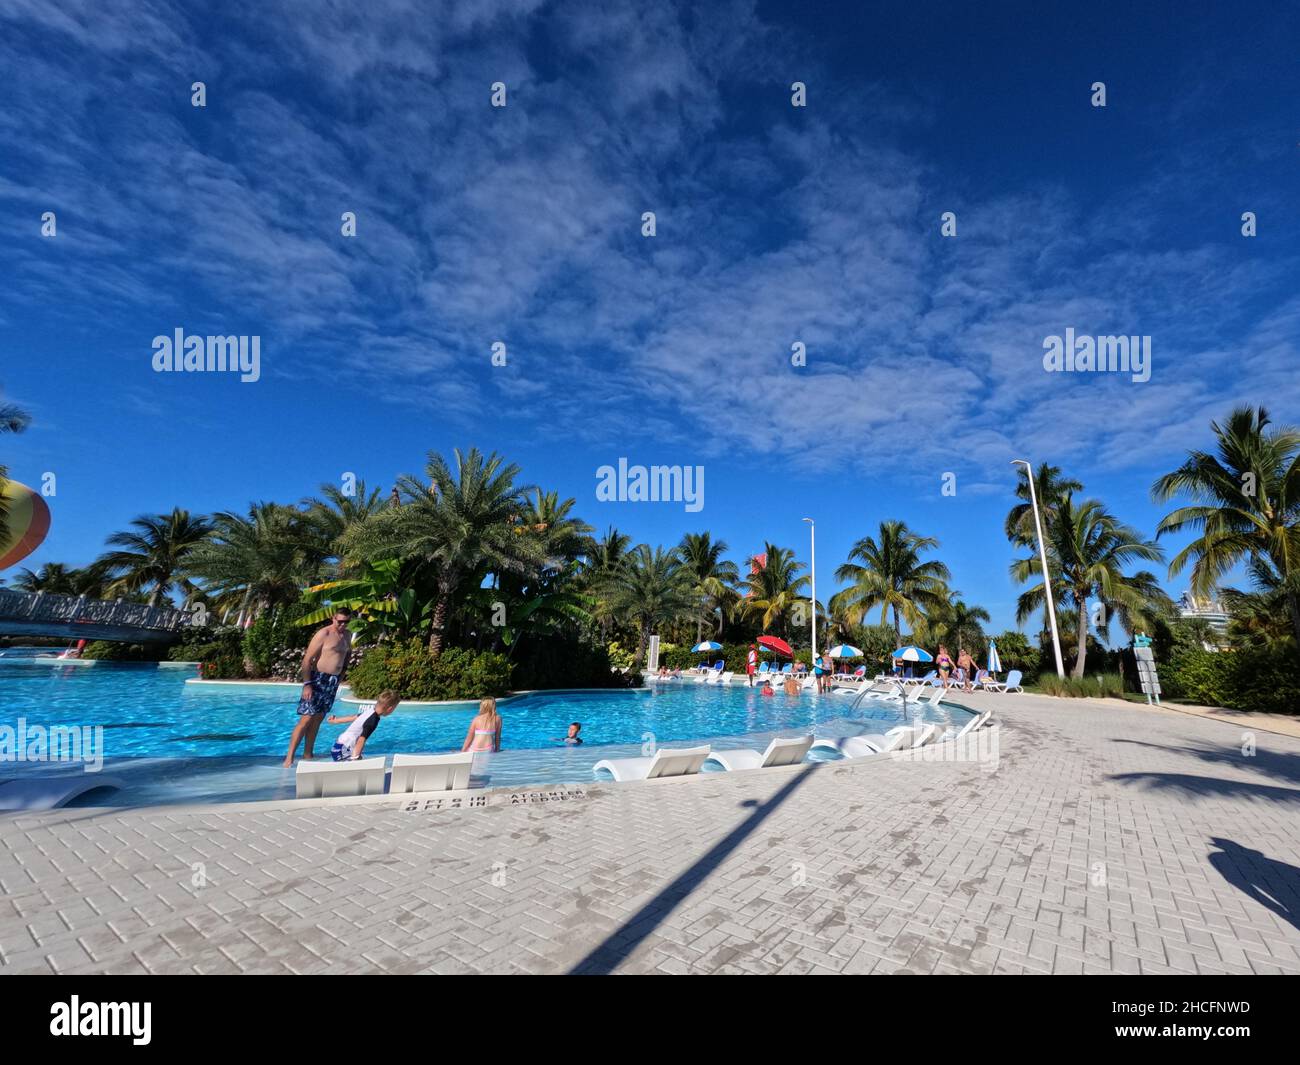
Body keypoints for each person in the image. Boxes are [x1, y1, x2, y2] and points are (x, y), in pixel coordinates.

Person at [284, 608, 354, 766]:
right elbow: (307, 660)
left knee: (318, 718)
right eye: (340, 621)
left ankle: (308, 753)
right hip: (317, 679)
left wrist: (342, 672)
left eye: (346, 622)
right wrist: (307, 684)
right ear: (333, 618)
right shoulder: (324, 634)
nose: (342, 624)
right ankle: (289, 758)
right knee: (306, 719)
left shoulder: (347, 635)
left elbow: (347, 653)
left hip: (332, 681)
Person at [327, 690, 400, 761]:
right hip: (344, 749)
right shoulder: (373, 720)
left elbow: (353, 717)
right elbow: (361, 740)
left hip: (338, 747)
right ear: (390, 709)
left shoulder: (370, 711)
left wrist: (336, 720)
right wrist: (355, 759)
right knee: (353, 765)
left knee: (358, 760)